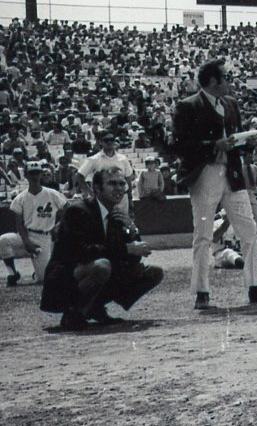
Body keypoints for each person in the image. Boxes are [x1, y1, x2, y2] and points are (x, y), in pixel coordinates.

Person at [171, 58, 257, 310]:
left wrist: (247, 143)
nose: (230, 81)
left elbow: (236, 137)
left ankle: (254, 285)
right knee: (203, 234)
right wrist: (212, 146)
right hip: (205, 173)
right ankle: (201, 290)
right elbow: (179, 145)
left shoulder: (231, 104)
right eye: (225, 77)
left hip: (232, 172)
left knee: (249, 230)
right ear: (213, 81)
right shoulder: (187, 106)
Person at [40, 167, 163, 331]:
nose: (119, 188)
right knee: (102, 266)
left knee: (153, 272)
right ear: (97, 188)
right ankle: (73, 313)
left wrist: (132, 229)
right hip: (64, 281)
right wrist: (126, 248)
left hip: (95, 273)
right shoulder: (77, 210)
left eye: (121, 183)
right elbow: (81, 252)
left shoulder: (117, 216)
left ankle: (94, 307)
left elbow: (134, 257)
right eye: (112, 183)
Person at [0, 160, 67, 286]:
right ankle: (12, 273)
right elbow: (19, 224)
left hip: (44, 237)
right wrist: (26, 242)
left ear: (41, 174)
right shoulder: (20, 198)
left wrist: (58, 226)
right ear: (26, 175)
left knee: (43, 279)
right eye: (31, 173)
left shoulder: (52, 194)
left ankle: (39, 270)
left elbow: (68, 209)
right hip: (25, 235)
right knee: (3, 240)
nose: (35, 176)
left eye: (37, 173)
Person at [76, 131, 135, 211]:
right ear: (100, 142)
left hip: (121, 198)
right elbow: (79, 176)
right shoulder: (94, 159)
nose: (109, 142)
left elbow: (128, 179)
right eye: (106, 140)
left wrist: (130, 198)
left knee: (122, 222)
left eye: (111, 139)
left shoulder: (123, 159)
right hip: (103, 199)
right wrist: (90, 193)